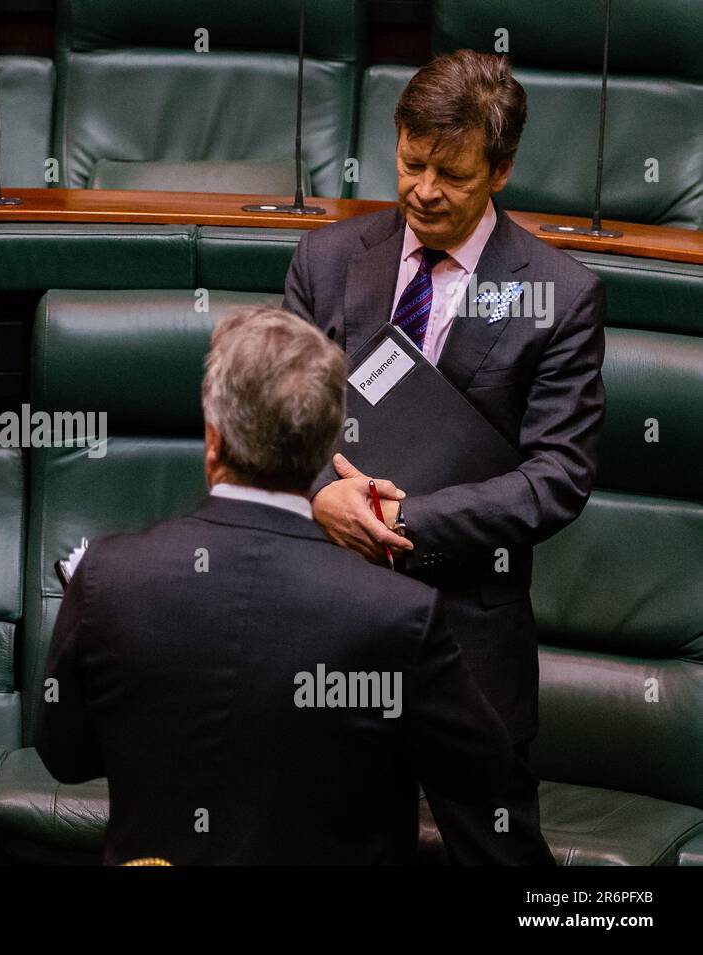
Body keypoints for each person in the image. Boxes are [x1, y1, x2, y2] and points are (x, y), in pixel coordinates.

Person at [34, 307, 515, 865]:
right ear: (322, 450)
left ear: (213, 441)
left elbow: (63, 756)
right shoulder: (397, 613)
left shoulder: (107, 579)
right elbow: (483, 771)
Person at [283, 50, 606, 865]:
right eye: (411, 162)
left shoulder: (557, 294)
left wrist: (405, 519)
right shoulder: (325, 263)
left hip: (470, 640)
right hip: (336, 622)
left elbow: (557, 477)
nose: (424, 189)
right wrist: (322, 491)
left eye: (452, 174)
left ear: (501, 169)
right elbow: (280, 418)